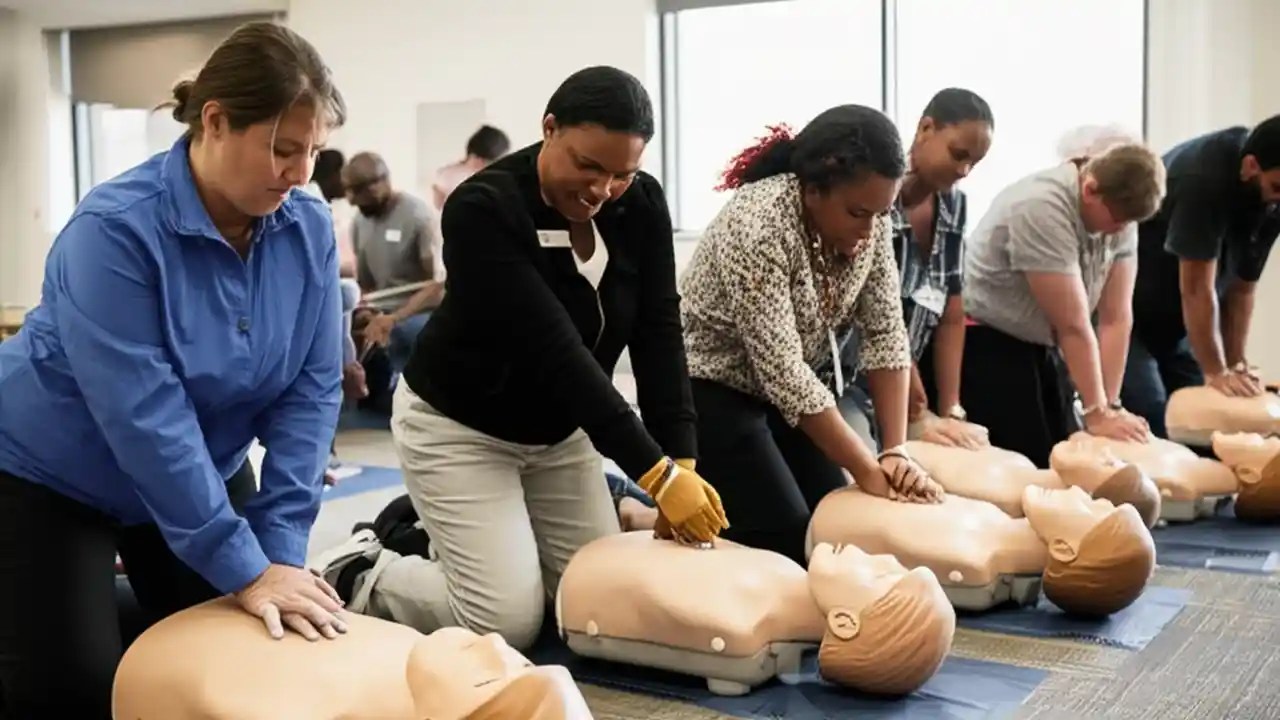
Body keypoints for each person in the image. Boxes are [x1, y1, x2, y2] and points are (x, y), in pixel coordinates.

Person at [0, 21, 348, 718]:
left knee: (250, 650)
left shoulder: (306, 228)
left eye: (313, 151)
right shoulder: (113, 232)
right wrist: (242, 566)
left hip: (204, 465)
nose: (302, 174)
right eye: (283, 149)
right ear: (215, 122)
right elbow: (146, 420)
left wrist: (278, 552)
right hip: (51, 472)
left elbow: (311, 394)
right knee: (78, 687)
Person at [378, 66, 726, 650]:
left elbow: (659, 331)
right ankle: (369, 569)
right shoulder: (483, 209)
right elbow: (556, 353)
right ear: (549, 128)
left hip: (560, 434)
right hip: (461, 428)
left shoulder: (640, 204)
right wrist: (656, 475)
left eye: (621, 173)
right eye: (588, 165)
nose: (601, 189)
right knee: (506, 621)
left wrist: (681, 459)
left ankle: (466, 545)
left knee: (591, 605)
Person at [679, 105, 944, 567]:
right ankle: (654, 517)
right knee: (786, 537)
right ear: (813, 190)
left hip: (788, 392)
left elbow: (886, 332)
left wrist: (895, 452)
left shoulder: (871, 221)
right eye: (858, 213)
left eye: (880, 214)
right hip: (708, 387)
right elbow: (784, 372)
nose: (869, 230)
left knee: (831, 519)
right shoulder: (758, 224)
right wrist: (868, 470)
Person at [960, 143, 1167, 468]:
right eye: (1116, 221)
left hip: (1045, 340)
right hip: (988, 339)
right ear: (1090, 189)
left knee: (1069, 448)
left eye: (1128, 224)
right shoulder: (1041, 206)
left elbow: (1115, 317)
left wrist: (1109, 406)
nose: (1120, 231)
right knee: (1034, 460)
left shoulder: (1123, 215)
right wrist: (1095, 412)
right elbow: (1073, 324)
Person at [839, 88, 994, 450]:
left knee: (970, 451)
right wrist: (905, 375)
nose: (963, 170)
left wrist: (951, 408)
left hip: (908, 394)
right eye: (958, 154)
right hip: (848, 383)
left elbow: (952, 314)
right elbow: (861, 309)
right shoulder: (875, 201)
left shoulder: (954, 207)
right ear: (926, 128)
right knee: (864, 469)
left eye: (974, 163)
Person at [1123, 118, 1280, 438]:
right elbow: (1196, 287)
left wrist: (1236, 365)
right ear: (1251, 166)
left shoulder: (1271, 198)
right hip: (1125, 314)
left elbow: (1242, 289)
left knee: (1206, 425)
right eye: (1277, 187)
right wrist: (1216, 372)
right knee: (1154, 417)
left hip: (1179, 319)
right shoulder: (1204, 178)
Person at [345, 152, 445, 378]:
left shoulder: (419, 217)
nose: (351, 200)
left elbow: (436, 287)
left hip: (419, 311)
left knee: (397, 335)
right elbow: (365, 284)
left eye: (359, 190)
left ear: (383, 181)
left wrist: (394, 318)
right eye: (349, 191)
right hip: (381, 308)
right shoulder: (360, 221)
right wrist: (367, 312)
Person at [432, 124, 512, 210]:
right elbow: (439, 207)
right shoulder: (446, 175)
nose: (484, 165)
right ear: (473, 154)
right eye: (483, 161)